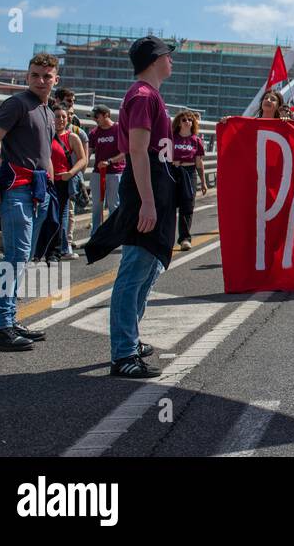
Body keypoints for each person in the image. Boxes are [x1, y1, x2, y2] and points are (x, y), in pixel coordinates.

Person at [88, 36, 179, 377]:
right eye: (169, 56)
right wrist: (148, 203)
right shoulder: (143, 96)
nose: (172, 61)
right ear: (155, 59)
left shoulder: (151, 95)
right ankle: (124, 354)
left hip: (154, 185)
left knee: (147, 268)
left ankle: (130, 339)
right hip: (146, 187)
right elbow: (138, 152)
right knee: (134, 272)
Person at [0, 54, 59, 351]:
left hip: (38, 191)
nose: (40, 80)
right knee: (14, 257)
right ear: (27, 76)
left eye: (46, 76)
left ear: (55, 80)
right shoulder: (17, 104)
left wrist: (49, 185)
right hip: (17, 190)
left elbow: (45, 155)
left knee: (23, 259)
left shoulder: (48, 111)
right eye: (35, 75)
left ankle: (9, 319)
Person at [48, 106, 87, 262]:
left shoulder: (72, 137)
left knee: (59, 217)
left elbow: (83, 159)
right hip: (45, 181)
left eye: (64, 117)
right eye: (57, 116)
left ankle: (57, 251)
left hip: (62, 182)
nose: (61, 119)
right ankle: (43, 249)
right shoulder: (45, 135)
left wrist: (70, 174)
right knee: (44, 216)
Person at [170, 110, 207, 251]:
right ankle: (166, 238)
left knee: (187, 205)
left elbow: (199, 162)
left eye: (190, 120)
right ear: (179, 122)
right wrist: (173, 161)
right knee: (169, 205)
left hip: (189, 172)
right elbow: (164, 157)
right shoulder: (172, 138)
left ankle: (185, 238)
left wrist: (203, 182)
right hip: (173, 172)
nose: (187, 122)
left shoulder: (196, 140)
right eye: (184, 119)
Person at [88, 105, 124, 233]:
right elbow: (88, 153)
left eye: (97, 117)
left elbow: (125, 152)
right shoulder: (94, 133)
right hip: (98, 173)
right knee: (97, 205)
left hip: (115, 173)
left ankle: (114, 234)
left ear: (106, 115)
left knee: (114, 205)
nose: (95, 120)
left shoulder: (118, 129)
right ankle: (96, 234)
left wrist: (110, 161)